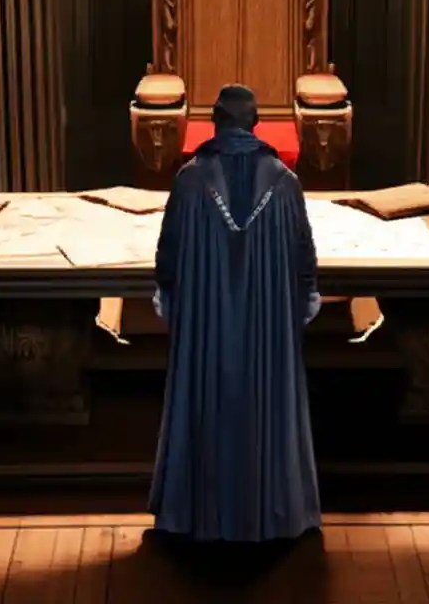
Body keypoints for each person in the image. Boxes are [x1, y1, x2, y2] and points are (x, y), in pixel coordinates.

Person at [149, 84, 323, 542]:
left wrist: (170, 294)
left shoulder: (190, 181)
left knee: (206, 397)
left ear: (217, 123)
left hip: (207, 319)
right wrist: (304, 296)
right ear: (255, 123)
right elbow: (304, 258)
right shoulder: (285, 184)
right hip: (267, 322)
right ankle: (274, 513)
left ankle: (197, 515)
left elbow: (167, 255)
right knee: (268, 400)